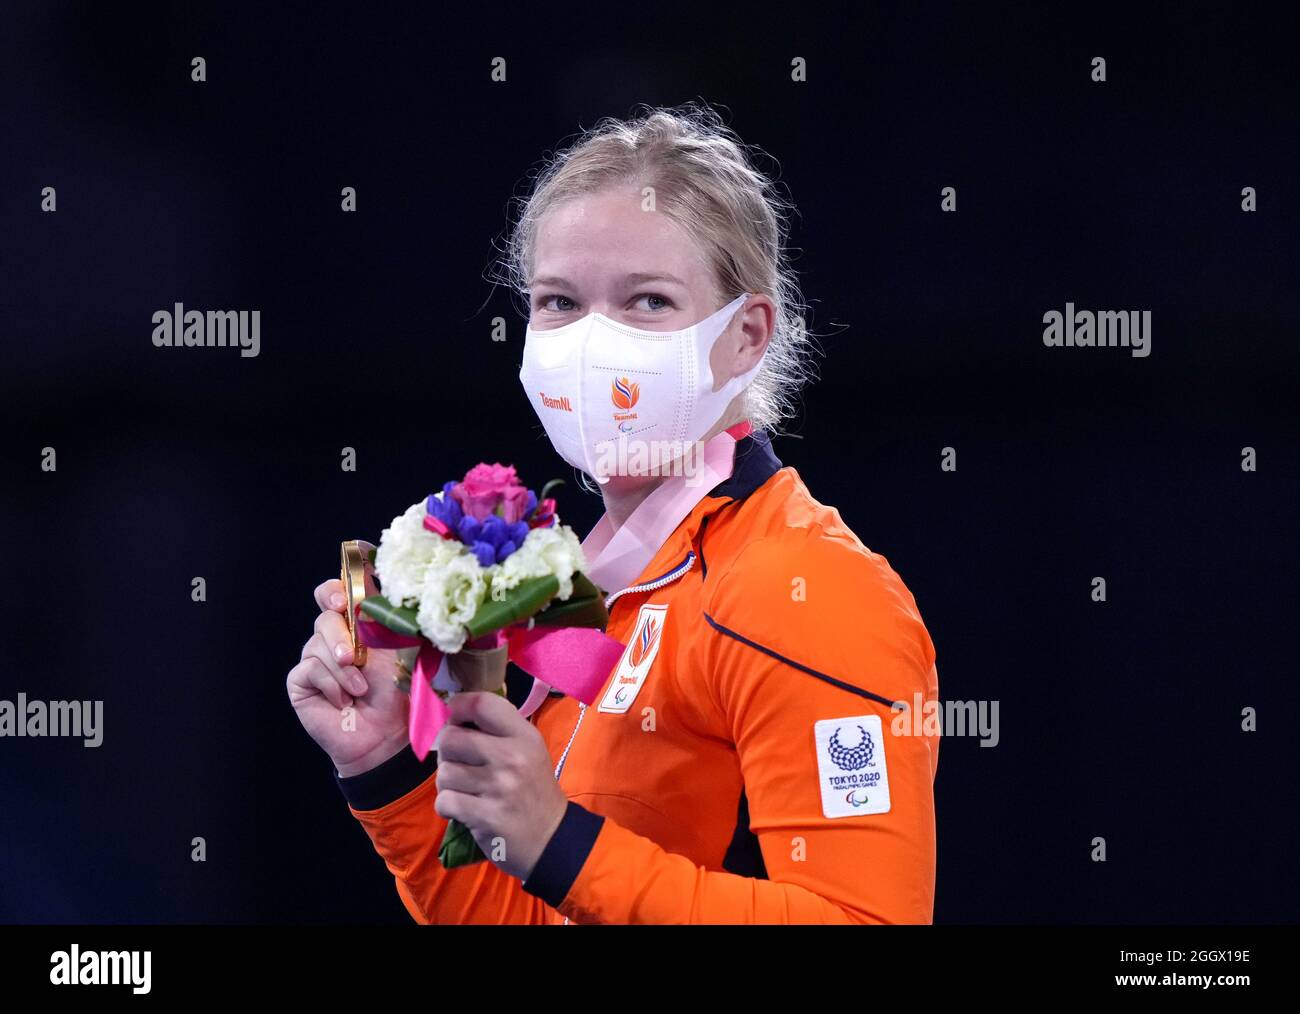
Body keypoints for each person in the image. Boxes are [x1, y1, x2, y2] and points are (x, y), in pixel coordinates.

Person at [287, 101, 940, 924]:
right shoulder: (591, 600)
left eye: (648, 302)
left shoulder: (802, 585)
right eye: (559, 302)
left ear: (747, 336)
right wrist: (387, 766)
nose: (595, 343)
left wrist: (563, 842)